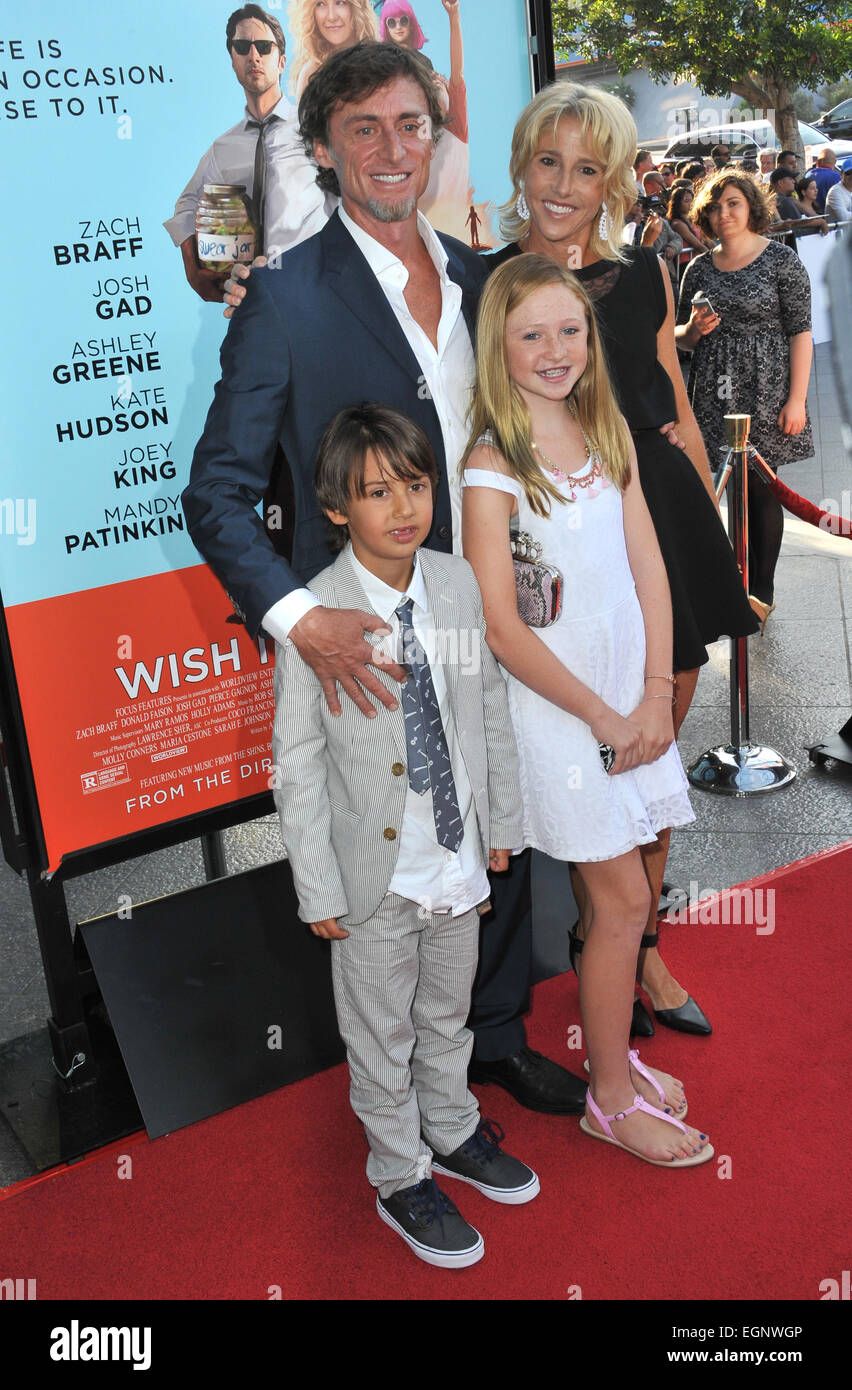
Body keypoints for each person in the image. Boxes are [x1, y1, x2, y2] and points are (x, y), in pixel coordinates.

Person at [185, 42, 587, 1117]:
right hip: (378, 635)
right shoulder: (284, 300)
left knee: (493, 829)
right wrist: (301, 619)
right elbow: (217, 491)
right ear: (321, 147)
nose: (392, 149)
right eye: (362, 128)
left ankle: (492, 1037)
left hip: (501, 610)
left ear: (437, 136)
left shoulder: (482, 277)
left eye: (411, 124)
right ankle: (400, 1105)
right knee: (404, 855)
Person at [485, 82, 759, 1035]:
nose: (564, 184)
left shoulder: (645, 271)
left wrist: (709, 506)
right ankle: (610, 925)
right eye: (548, 161)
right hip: (563, 522)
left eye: (586, 167)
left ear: (613, 182)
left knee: (665, 718)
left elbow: (672, 389)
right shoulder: (486, 276)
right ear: (522, 164)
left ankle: (641, 943)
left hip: (662, 504)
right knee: (593, 725)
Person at [461, 255, 713, 1168]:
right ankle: (609, 1095)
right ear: (500, 345)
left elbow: (648, 568)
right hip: (563, 718)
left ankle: (613, 1062)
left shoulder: (607, 432)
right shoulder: (493, 465)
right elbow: (503, 626)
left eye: (570, 330)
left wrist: (653, 697)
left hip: (630, 703)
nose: (555, 349)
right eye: (531, 334)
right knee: (620, 900)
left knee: (627, 895)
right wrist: (609, 720)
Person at [272, 402, 538, 1265]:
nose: (403, 508)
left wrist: (498, 821)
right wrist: (317, 884)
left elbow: (484, 705)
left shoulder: (456, 583)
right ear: (339, 508)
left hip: (455, 856)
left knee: (446, 1013)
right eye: (377, 492)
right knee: (380, 1031)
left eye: (416, 486)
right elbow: (300, 762)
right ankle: (398, 1174)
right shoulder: (312, 615)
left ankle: (455, 1130)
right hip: (374, 875)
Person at [676, 170, 814, 630]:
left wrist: (796, 400)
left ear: (751, 206)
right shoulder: (696, 268)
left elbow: (800, 333)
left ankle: (761, 591)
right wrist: (693, 331)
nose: (724, 213)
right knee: (727, 487)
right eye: (714, 207)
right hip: (714, 393)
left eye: (733, 203)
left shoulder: (780, 260)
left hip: (767, 390)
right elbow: (678, 337)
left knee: (759, 488)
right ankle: (735, 583)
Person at [164, 4, 332, 300]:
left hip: (315, 292)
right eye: (242, 46)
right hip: (251, 298)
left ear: (281, 61)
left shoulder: (315, 131)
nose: (253, 55)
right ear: (232, 60)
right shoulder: (223, 149)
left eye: (264, 47)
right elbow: (186, 205)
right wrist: (195, 273)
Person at [381, 1, 474, 243]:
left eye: (403, 20)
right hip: (414, 236)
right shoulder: (407, 146)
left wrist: (454, 16)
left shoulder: (456, 128)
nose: (399, 27)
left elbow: (458, 72)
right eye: (392, 22)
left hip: (453, 236)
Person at [288, 0, 379, 98]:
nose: (332, 17)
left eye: (340, 2)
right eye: (320, 4)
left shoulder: (380, 62)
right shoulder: (310, 75)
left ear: (356, 7)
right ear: (310, 12)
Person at [642, 170, 682, 288]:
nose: (654, 212)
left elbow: (677, 238)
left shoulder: (662, 222)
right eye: (650, 209)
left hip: (668, 277)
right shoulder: (635, 227)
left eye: (657, 208)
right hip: (648, 281)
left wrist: (672, 247)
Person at [769, 165, 829, 237]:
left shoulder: (778, 198)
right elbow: (797, 223)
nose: (794, 181)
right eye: (790, 179)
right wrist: (821, 222)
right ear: (780, 183)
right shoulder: (783, 200)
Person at [667, 184, 714, 254]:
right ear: (677, 203)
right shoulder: (677, 224)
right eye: (686, 201)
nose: (690, 204)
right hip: (686, 262)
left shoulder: (694, 221)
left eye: (692, 200)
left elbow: (709, 242)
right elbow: (698, 246)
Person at [806, 148, 841, 212]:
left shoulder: (808, 174)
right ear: (835, 162)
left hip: (809, 212)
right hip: (828, 215)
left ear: (818, 162)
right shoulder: (835, 176)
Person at [824, 155, 852, 223]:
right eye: (849, 173)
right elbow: (844, 217)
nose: (851, 176)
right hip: (837, 232)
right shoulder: (835, 191)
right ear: (841, 174)